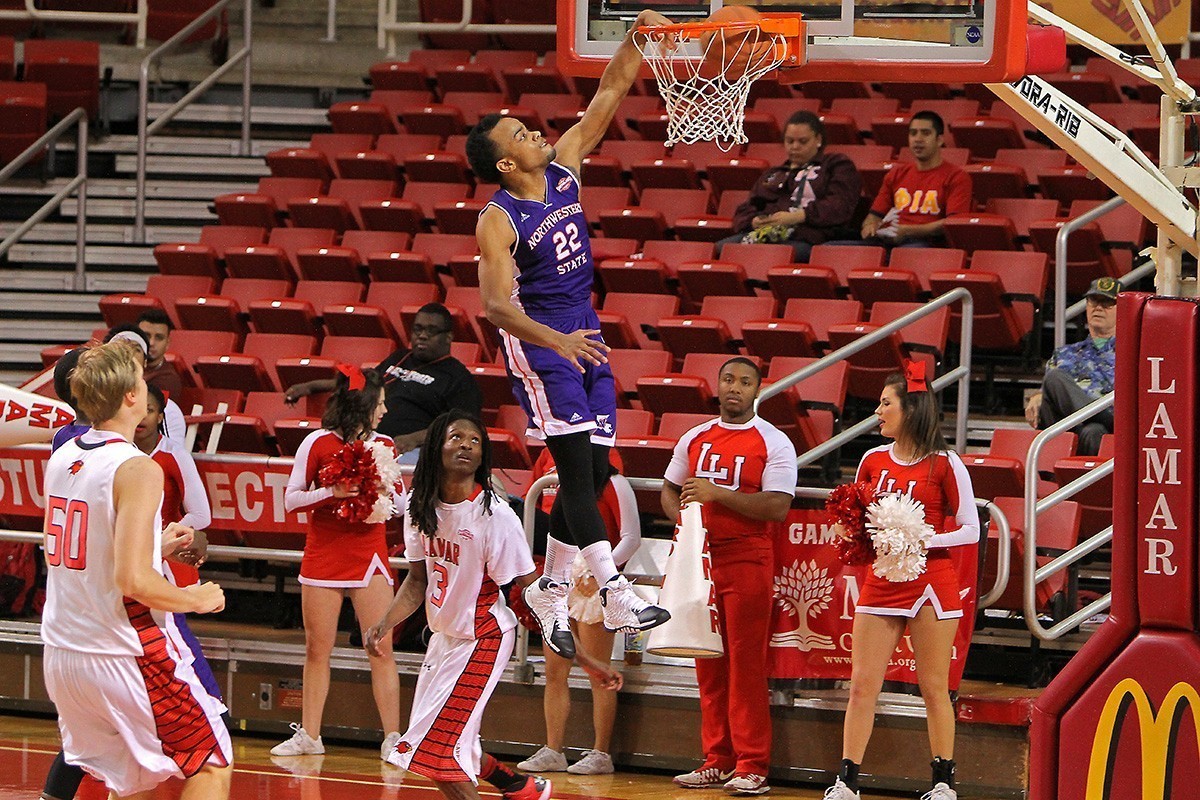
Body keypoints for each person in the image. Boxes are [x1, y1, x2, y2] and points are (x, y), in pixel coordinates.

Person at [468, 8, 672, 658]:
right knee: (578, 479)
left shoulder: (565, 168)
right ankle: (614, 591)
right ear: (504, 163)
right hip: (541, 344)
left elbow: (609, 90)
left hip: (584, 330)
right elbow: (496, 307)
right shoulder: (496, 220)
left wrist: (636, 37)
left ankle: (549, 587)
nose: (535, 134)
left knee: (600, 472)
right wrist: (553, 343)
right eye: (521, 134)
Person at [364, 410, 622, 800]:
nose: (466, 445)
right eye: (456, 437)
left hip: (482, 638)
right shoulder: (421, 505)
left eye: (475, 440)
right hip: (443, 639)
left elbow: (535, 595)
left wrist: (586, 659)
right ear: (437, 446)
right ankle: (517, 785)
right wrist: (384, 623)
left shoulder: (495, 515)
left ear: (483, 456)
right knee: (440, 746)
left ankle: (517, 786)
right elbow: (418, 581)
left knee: (434, 747)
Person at [41, 339, 231, 800]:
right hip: (124, 650)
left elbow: (89, 550)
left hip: (65, 652)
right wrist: (196, 599)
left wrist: (151, 546)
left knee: (137, 778)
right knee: (210, 764)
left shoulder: (63, 455)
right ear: (130, 396)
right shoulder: (137, 466)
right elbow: (133, 581)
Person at [823, 368, 980, 800]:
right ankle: (847, 782)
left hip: (931, 580)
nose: (877, 411)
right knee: (861, 685)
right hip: (882, 580)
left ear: (911, 408)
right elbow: (856, 514)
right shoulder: (872, 460)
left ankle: (944, 783)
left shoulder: (946, 463)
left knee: (933, 686)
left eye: (885, 403)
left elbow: (971, 529)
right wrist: (848, 531)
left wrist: (925, 539)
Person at [660, 357, 797, 796]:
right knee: (707, 662)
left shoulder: (773, 441)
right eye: (727, 379)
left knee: (745, 665)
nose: (734, 387)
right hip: (701, 562)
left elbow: (777, 506)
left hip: (748, 559)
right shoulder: (694, 437)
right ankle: (716, 758)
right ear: (716, 386)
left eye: (744, 382)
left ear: (758, 390)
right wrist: (686, 530)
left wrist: (719, 494)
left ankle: (752, 762)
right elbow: (668, 490)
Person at [272, 366, 405, 760]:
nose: (383, 410)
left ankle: (393, 739)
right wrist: (333, 491)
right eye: (379, 403)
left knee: (379, 647)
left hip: (369, 556)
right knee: (317, 649)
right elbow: (291, 499)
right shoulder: (315, 442)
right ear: (363, 404)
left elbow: (399, 505)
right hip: (323, 554)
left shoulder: (385, 445)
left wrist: (379, 488)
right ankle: (310, 736)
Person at [520, 448, 641, 775]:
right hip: (558, 577)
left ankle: (601, 753)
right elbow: (535, 513)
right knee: (555, 670)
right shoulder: (550, 459)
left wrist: (598, 571)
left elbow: (631, 537)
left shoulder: (613, 477)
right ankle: (553, 749)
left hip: (593, 584)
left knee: (598, 670)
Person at [284, 302, 483, 464]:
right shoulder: (400, 357)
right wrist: (310, 386)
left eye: (431, 331)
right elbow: (362, 382)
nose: (422, 336)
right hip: (370, 439)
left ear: (448, 337)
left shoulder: (459, 378)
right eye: (418, 329)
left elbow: (462, 426)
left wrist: (414, 439)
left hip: (413, 451)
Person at [716, 110, 861, 262]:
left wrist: (795, 217)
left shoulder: (837, 165)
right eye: (789, 141)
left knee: (774, 255)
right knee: (721, 249)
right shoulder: (774, 174)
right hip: (766, 234)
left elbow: (839, 206)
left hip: (806, 237)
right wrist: (755, 221)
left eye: (802, 141)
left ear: (818, 139)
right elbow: (746, 208)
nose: (795, 147)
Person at [832, 111, 971, 250]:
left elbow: (952, 224)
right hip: (889, 240)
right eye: (913, 133)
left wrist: (907, 230)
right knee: (829, 248)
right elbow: (874, 215)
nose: (918, 139)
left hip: (926, 243)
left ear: (939, 140)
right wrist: (870, 226)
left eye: (925, 133)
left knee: (909, 252)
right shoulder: (896, 174)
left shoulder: (957, 176)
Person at [1024, 276, 1117, 456]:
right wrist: (1038, 395)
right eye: (1094, 301)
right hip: (1065, 429)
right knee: (1054, 378)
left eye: (1107, 303)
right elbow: (1051, 395)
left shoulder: (1132, 353)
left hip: (1107, 433)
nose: (1098, 307)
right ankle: (1100, 416)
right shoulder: (1065, 354)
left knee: (1094, 431)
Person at [102, 325, 187, 443]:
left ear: (145, 362)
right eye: (121, 348)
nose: (129, 354)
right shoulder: (90, 402)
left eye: (136, 349)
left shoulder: (168, 409)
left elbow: (171, 454)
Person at [136, 308, 184, 398]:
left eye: (159, 337)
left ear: (167, 343)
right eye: (146, 336)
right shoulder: (122, 368)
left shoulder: (168, 380)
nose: (151, 343)